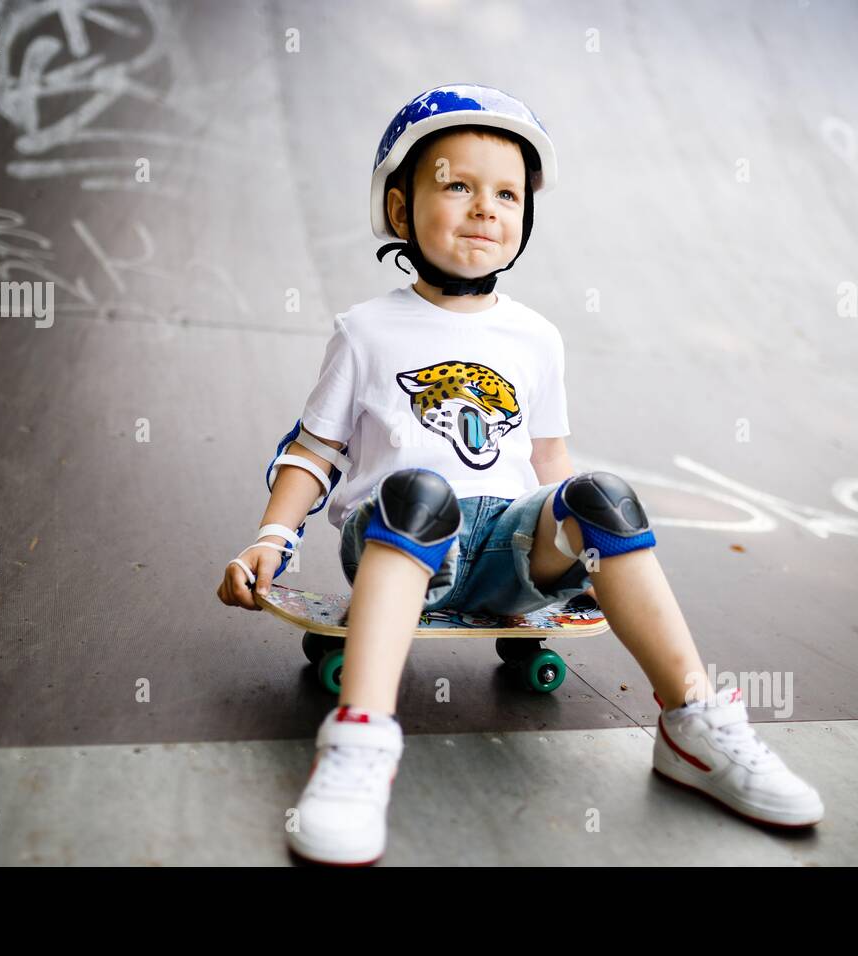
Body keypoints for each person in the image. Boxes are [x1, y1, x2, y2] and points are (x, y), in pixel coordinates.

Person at [217, 84, 824, 866]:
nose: (484, 208)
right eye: (456, 185)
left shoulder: (536, 338)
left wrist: (581, 554)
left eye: (506, 193)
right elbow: (314, 451)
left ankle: (693, 724)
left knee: (598, 494)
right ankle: (360, 741)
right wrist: (272, 537)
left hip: (506, 549)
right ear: (401, 212)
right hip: (396, 544)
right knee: (420, 493)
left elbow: (549, 467)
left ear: (526, 220)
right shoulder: (365, 331)